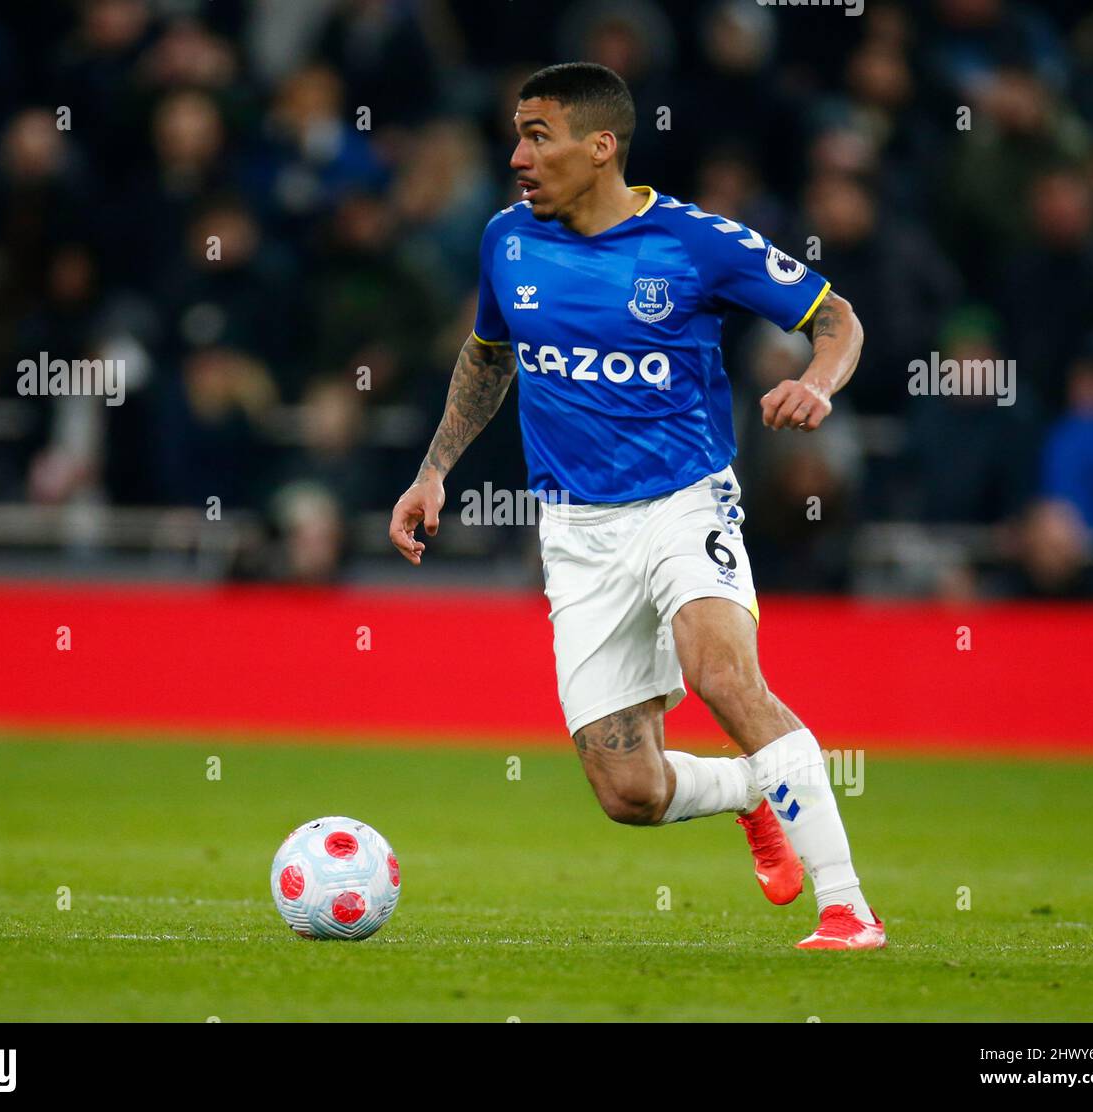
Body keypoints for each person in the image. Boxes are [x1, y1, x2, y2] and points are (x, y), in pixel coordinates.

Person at [389, 63, 880, 950]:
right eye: (517, 135)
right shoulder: (506, 241)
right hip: (576, 533)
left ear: (601, 145)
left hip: (684, 502)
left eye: (537, 136)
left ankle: (845, 906)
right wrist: (433, 472)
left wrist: (817, 381)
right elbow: (489, 354)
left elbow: (836, 316)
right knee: (633, 795)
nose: (517, 157)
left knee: (725, 677)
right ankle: (748, 793)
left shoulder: (696, 243)